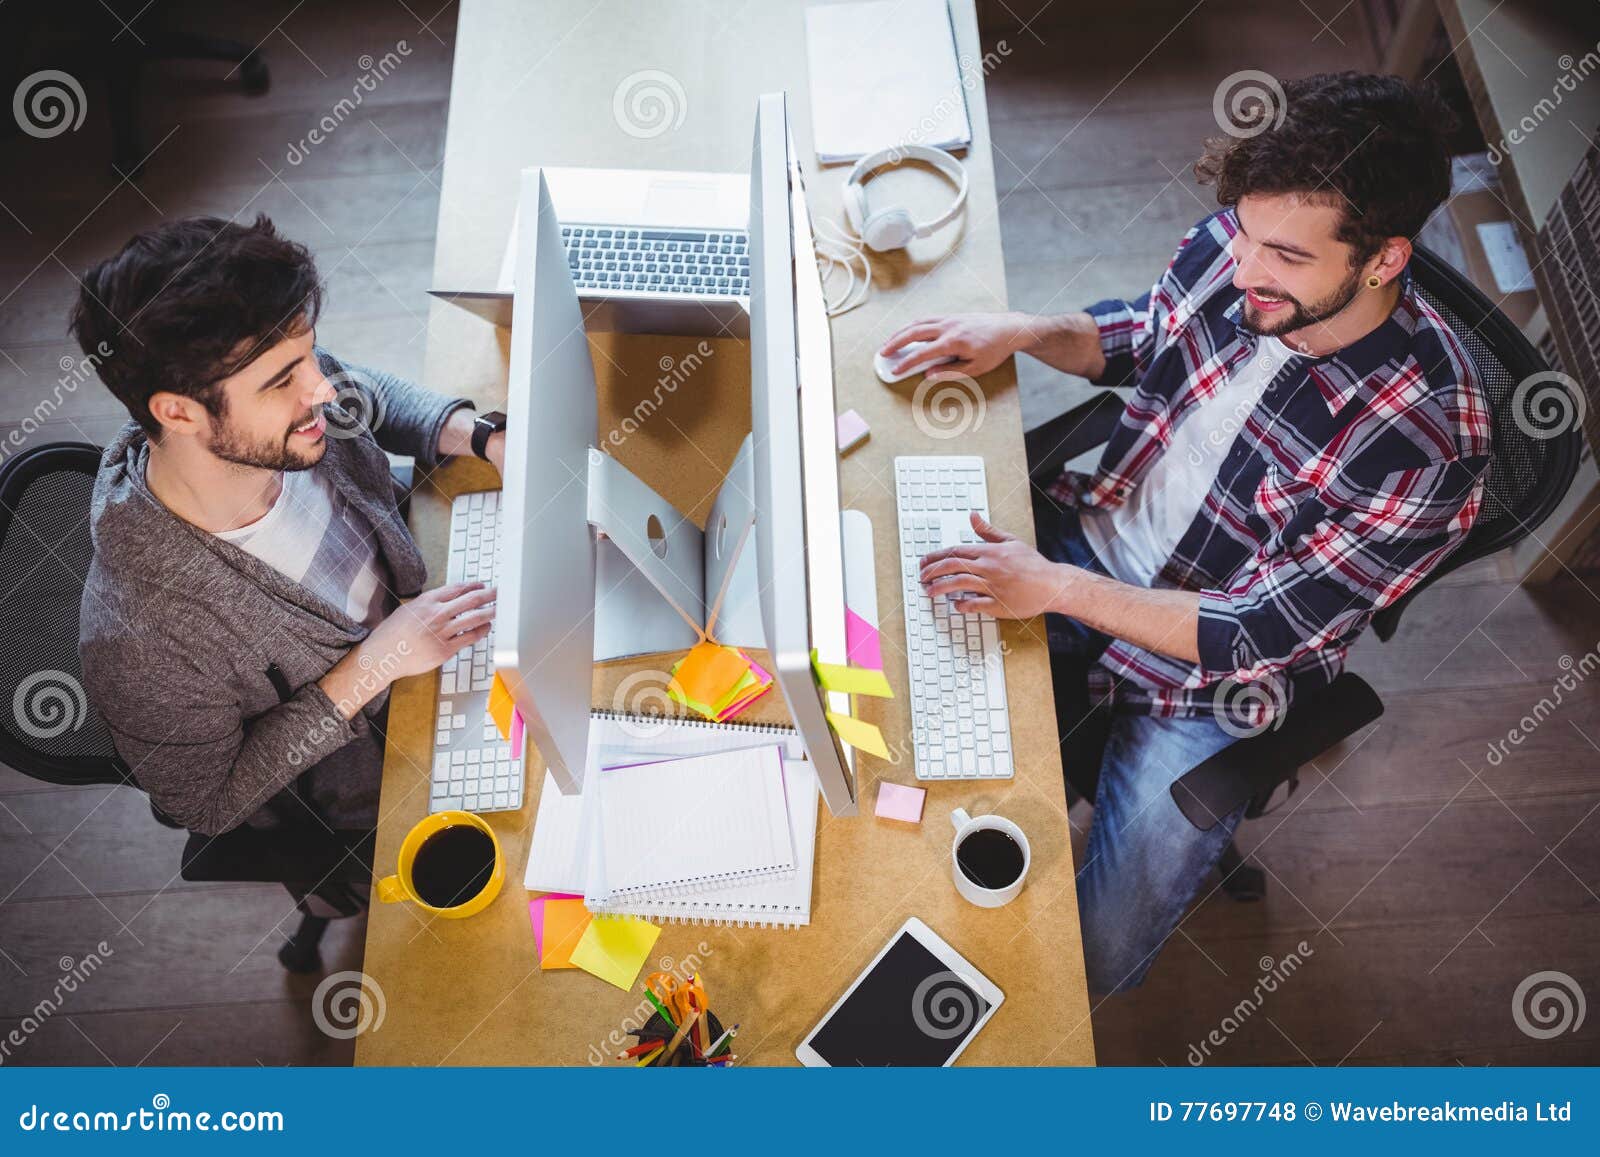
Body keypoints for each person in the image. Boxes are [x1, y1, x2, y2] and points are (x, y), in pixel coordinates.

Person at [879, 72, 1491, 994]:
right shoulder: (1240, 249)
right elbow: (1148, 331)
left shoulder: (1428, 441)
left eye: (1284, 255)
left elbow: (1261, 630)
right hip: (1088, 540)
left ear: (1383, 258)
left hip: (1213, 676)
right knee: (896, 690)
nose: (1244, 269)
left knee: (1099, 950)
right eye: (1242, 232)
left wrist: (1052, 587)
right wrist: (1024, 330)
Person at [72, 215, 502, 853]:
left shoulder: (290, 410)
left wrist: (488, 439)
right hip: (377, 764)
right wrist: (376, 663)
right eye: (282, 381)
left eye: (307, 358)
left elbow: (361, 392)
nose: (320, 389)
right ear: (178, 411)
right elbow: (209, 804)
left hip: (431, 617)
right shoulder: (140, 637)